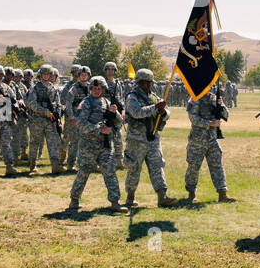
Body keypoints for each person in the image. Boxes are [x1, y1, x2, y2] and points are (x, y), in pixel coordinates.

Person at [67, 76, 127, 212]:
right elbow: (81, 124)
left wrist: (115, 112)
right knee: (83, 172)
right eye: (94, 88)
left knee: (110, 172)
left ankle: (115, 201)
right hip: (88, 145)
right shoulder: (86, 103)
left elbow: (119, 122)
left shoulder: (107, 102)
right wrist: (100, 129)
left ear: (103, 89)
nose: (96, 91)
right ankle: (74, 200)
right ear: (90, 89)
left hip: (105, 145)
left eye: (99, 88)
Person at [123, 68, 176, 208]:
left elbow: (167, 113)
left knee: (157, 166)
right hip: (136, 139)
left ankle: (162, 196)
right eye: (144, 83)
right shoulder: (132, 97)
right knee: (134, 168)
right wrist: (154, 108)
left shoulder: (154, 97)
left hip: (152, 137)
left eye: (149, 83)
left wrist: (163, 111)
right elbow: (136, 112)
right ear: (138, 83)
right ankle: (130, 198)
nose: (147, 85)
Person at [185, 81, 230, 202]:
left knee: (217, 165)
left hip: (212, 139)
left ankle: (222, 193)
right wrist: (210, 123)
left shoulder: (214, 98)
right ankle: (191, 193)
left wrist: (221, 106)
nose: (209, 86)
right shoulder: (195, 98)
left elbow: (226, 114)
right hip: (197, 140)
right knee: (194, 166)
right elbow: (193, 118)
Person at [26, 64, 66, 175]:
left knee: (52, 142)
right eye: (44, 74)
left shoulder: (54, 88)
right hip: (37, 120)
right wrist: (45, 112)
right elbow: (31, 104)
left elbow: (58, 104)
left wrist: (57, 117)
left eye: (48, 74)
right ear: (40, 75)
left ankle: (55, 165)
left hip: (50, 121)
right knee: (35, 142)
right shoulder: (34, 88)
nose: (46, 75)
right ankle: (32, 165)